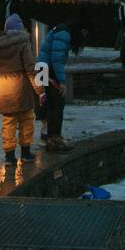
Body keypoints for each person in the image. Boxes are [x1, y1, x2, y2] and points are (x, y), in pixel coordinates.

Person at [0, 14, 41, 164]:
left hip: (2, 85)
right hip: (20, 84)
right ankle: (25, 152)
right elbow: (30, 68)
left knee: (8, 121)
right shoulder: (23, 44)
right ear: (20, 28)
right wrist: (39, 89)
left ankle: (9, 155)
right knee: (26, 118)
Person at [38, 20, 86, 152]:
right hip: (49, 70)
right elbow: (57, 59)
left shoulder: (61, 31)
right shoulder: (64, 34)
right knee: (57, 104)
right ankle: (55, 139)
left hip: (44, 69)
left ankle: (52, 139)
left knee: (53, 105)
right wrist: (62, 82)